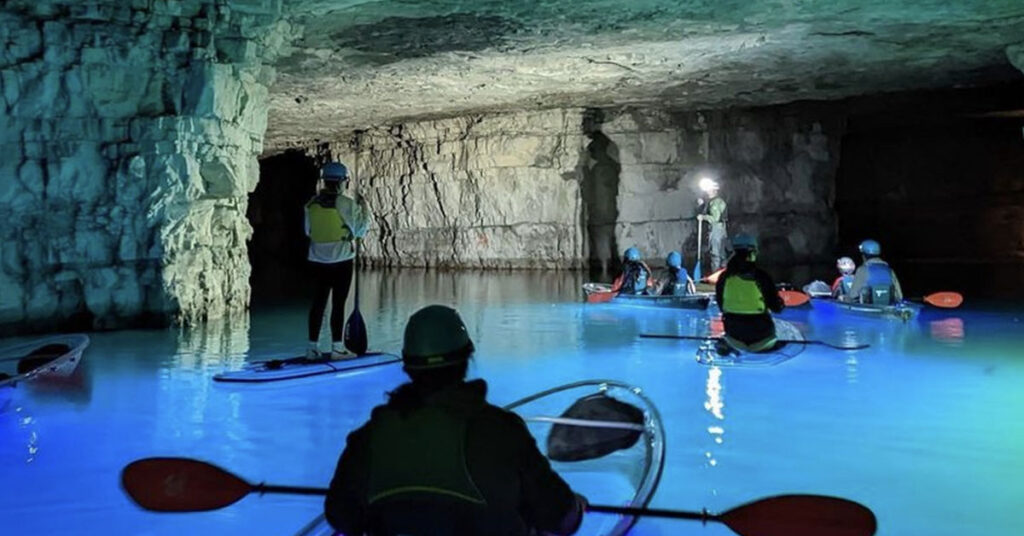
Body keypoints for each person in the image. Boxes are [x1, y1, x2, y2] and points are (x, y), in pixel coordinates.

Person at [324, 305, 587, 535]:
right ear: (466, 359)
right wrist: (575, 505)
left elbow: (340, 516)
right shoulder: (502, 431)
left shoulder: (368, 436)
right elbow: (562, 520)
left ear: (407, 366)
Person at [305, 161, 372, 359]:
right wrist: (364, 207)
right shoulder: (346, 204)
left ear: (324, 181)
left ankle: (312, 348)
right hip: (341, 260)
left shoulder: (310, 204)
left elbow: (307, 231)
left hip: (316, 260)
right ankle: (336, 348)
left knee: (318, 304)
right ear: (343, 182)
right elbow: (360, 230)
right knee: (338, 304)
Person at [715, 234, 785, 354]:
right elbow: (776, 308)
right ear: (753, 253)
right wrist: (780, 303)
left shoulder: (723, 278)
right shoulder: (762, 277)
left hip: (734, 337)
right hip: (762, 338)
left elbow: (722, 307)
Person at [845, 239, 904, 305]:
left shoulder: (862, 270)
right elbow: (899, 296)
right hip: (887, 311)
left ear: (863, 256)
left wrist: (843, 298)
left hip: (868, 311)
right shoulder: (889, 270)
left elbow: (852, 296)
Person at [696, 178, 729, 272]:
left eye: (708, 189)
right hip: (721, 229)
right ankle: (724, 273)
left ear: (714, 190)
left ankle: (716, 275)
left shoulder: (715, 203)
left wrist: (703, 217)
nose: (707, 191)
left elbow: (715, 218)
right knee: (722, 253)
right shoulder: (716, 201)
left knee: (715, 254)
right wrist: (702, 206)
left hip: (716, 230)